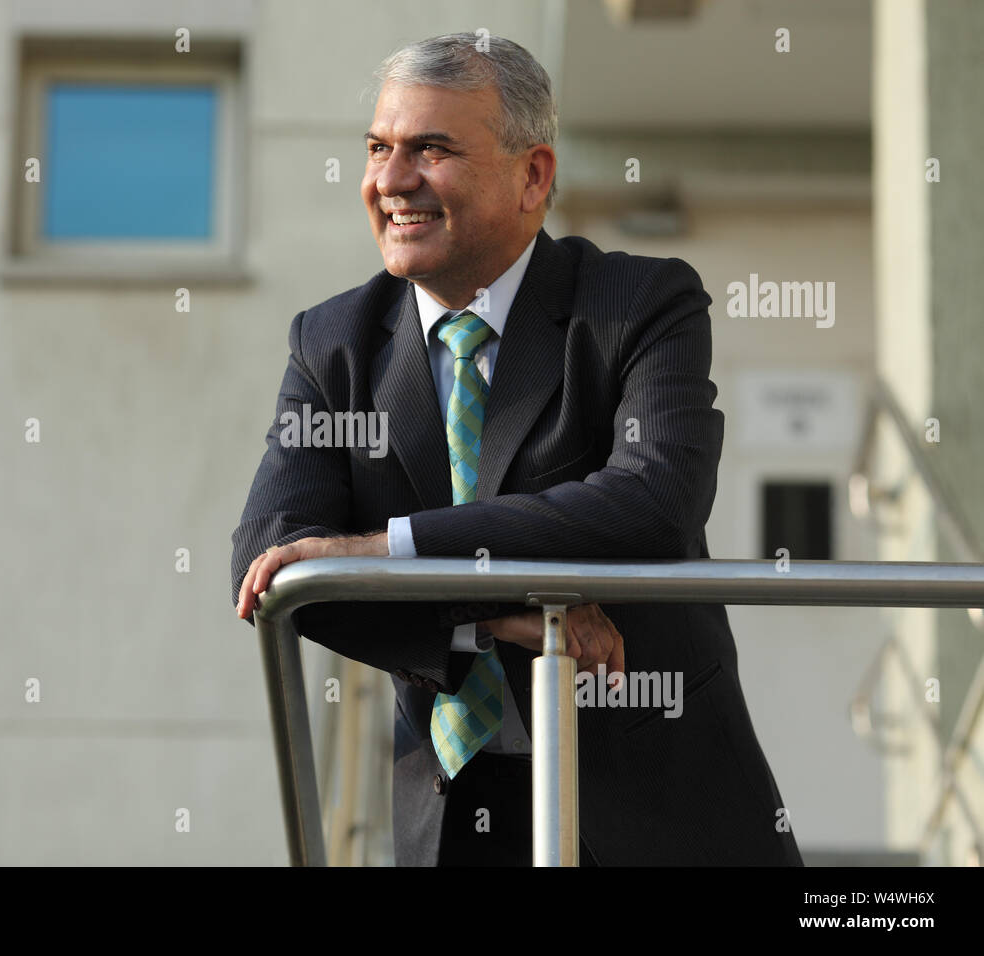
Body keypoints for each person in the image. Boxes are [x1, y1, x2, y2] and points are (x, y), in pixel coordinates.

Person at [232, 33, 802, 867]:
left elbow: (653, 500)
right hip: (451, 819)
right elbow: (270, 561)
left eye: (431, 149)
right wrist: (512, 613)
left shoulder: (638, 305)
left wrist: (391, 552)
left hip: (659, 812)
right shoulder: (333, 343)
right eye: (379, 149)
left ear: (532, 175)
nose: (390, 182)